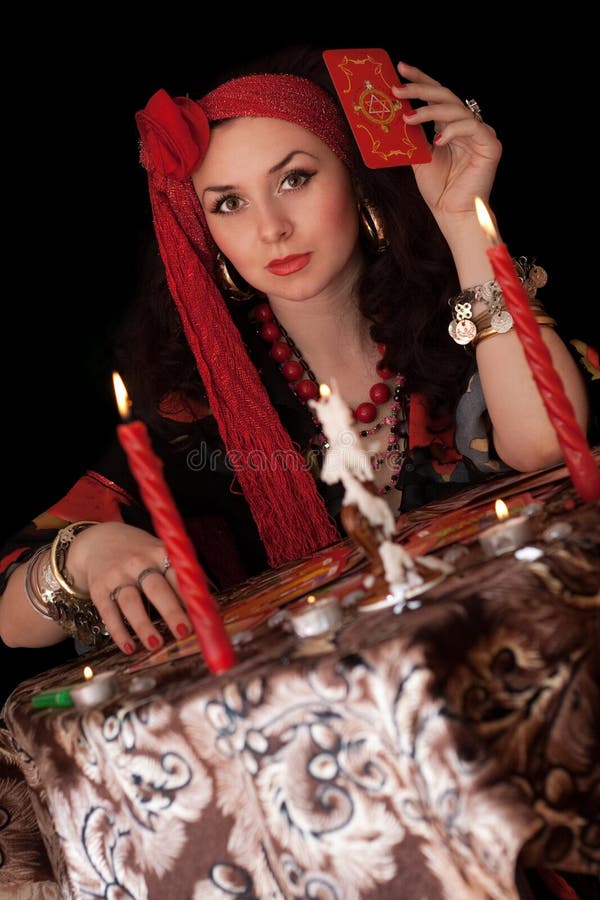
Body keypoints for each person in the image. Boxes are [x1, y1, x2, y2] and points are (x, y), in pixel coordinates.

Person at [0, 44, 594, 663]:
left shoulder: (461, 327)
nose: (271, 226)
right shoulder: (198, 415)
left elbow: (546, 444)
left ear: (355, 180)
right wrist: (78, 558)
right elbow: (10, 619)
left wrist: (464, 220)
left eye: (294, 178)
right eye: (229, 202)